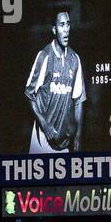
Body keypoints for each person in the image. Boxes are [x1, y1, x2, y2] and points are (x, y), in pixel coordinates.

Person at [23, 9, 85, 154]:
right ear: (54, 29)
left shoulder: (75, 59)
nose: (66, 30)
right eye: (61, 25)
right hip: (42, 140)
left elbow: (78, 102)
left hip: (64, 143)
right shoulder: (44, 56)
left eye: (68, 24)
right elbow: (28, 94)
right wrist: (44, 124)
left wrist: (78, 136)